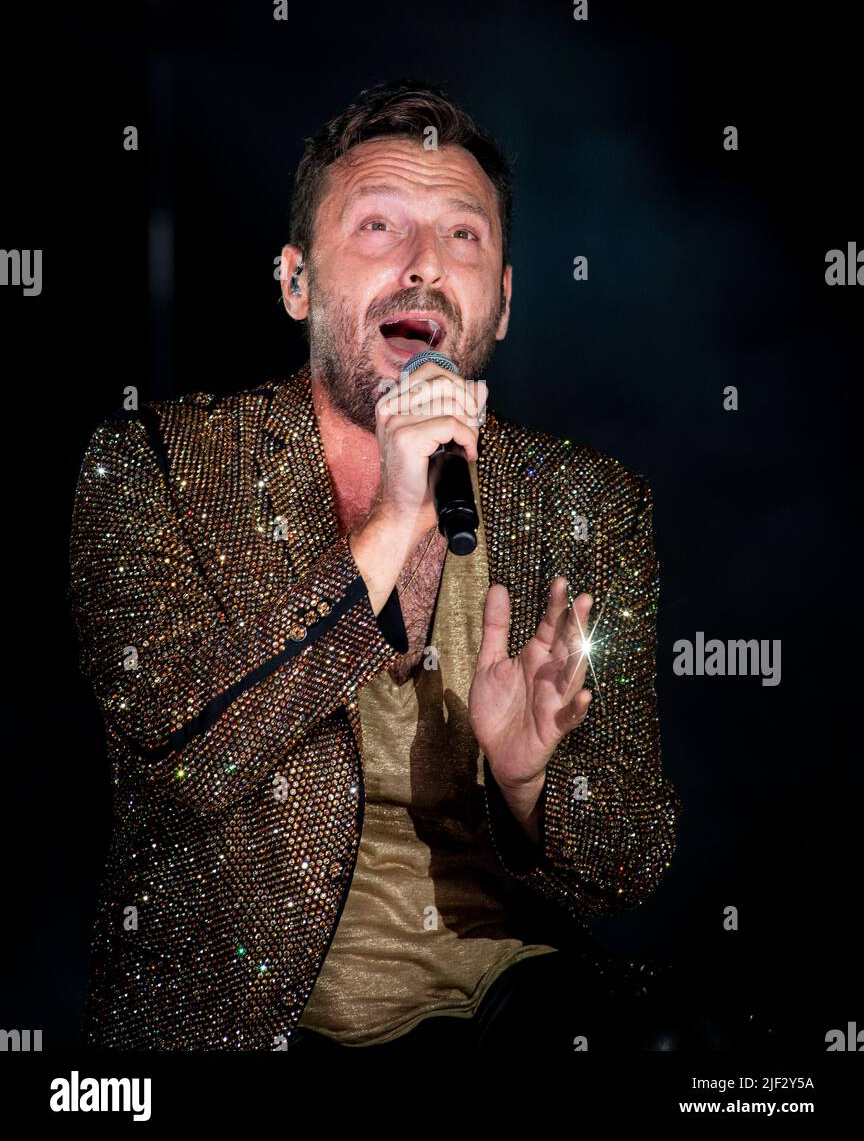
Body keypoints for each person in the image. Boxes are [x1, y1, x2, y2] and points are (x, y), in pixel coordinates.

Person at [68, 78, 683, 1053]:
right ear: (296, 281)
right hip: (246, 1026)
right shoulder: (154, 463)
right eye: (378, 226)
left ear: (506, 303)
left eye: (463, 237)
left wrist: (531, 783)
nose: (424, 266)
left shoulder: (589, 503)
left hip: (509, 1012)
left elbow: (632, 858)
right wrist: (396, 520)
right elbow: (186, 758)